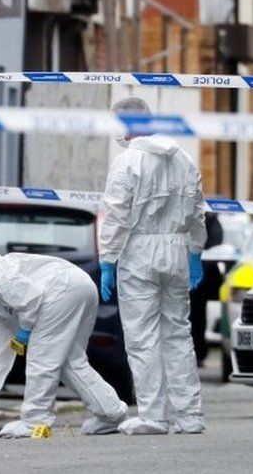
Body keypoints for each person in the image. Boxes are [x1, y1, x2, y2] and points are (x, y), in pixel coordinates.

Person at [99, 96, 207, 435]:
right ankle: (190, 416)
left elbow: (117, 215)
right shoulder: (184, 158)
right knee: (178, 334)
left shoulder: (128, 162)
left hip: (140, 252)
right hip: (176, 250)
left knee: (142, 337)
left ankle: (154, 415)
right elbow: (198, 209)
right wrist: (195, 251)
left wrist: (107, 259)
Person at [0, 253, 128, 438]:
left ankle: (35, 421)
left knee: (41, 359)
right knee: (71, 361)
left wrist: (26, 328)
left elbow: (31, 297)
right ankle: (111, 413)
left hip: (61, 290)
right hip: (80, 287)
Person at [191, 213, 224, 366]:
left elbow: (215, 245)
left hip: (200, 278)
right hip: (180, 273)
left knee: (197, 316)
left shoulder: (209, 219)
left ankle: (198, 353)